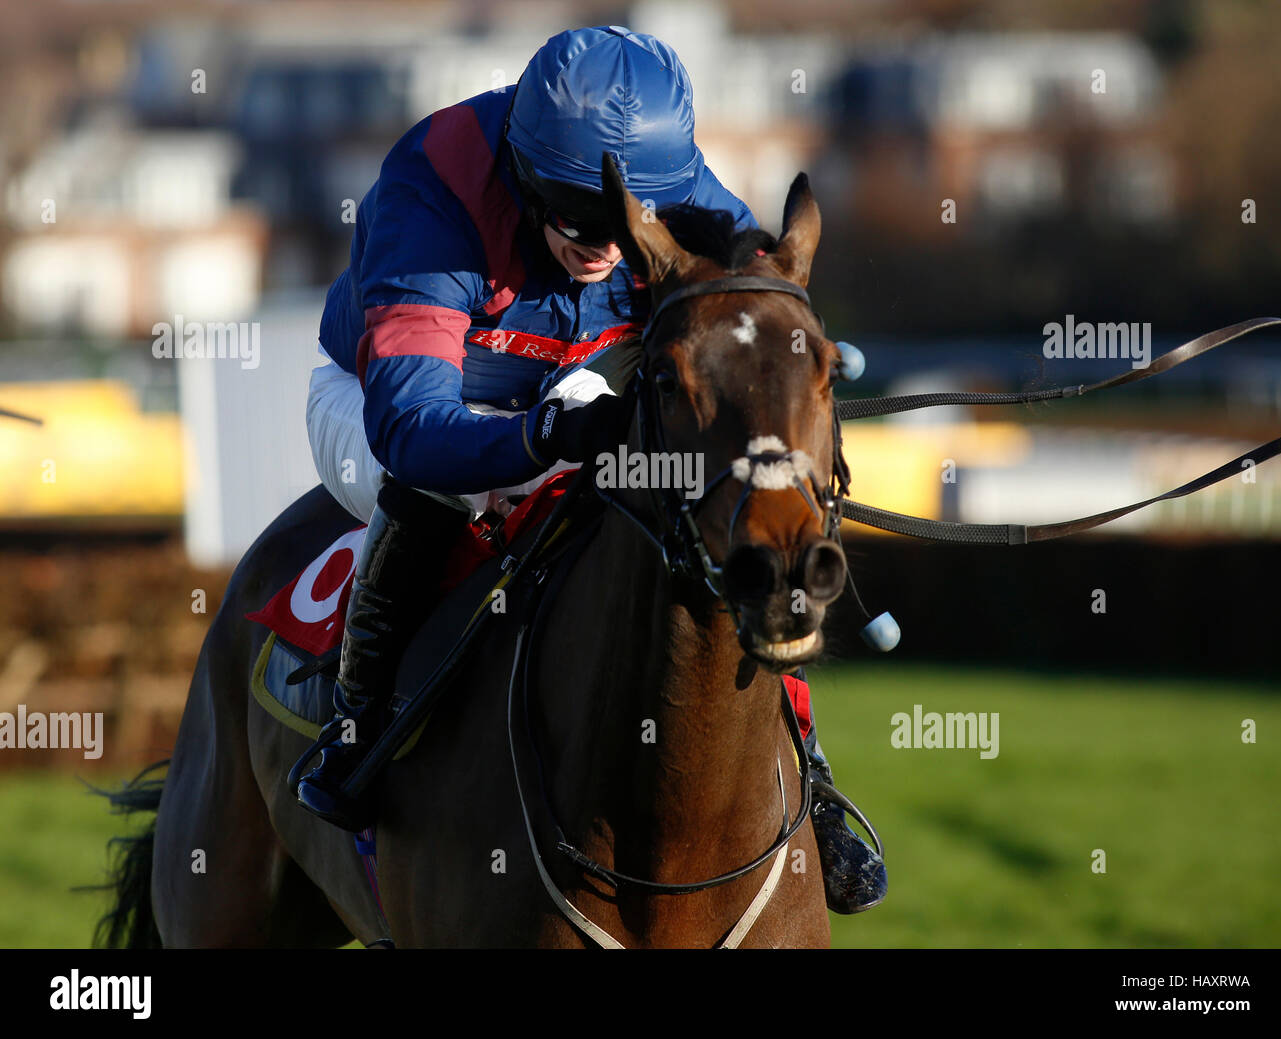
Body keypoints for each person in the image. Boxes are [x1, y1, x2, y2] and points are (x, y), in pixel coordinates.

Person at [292, 25, 885, 913]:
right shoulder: (435, 191)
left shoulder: (676, 186)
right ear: (527, 178)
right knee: (441, 484)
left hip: (569, 383)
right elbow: (414, 426)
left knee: (716, 511)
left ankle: (810, 766)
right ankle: (359, 720)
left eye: (622, 221)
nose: (605, 248)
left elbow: (756, 308)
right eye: (577, 219)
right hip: (387, 403)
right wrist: (544, 440)